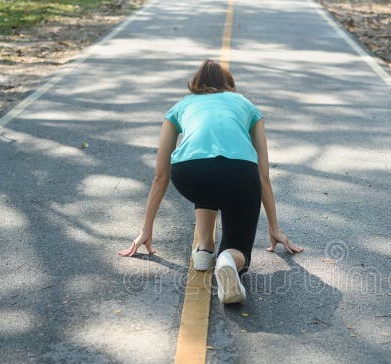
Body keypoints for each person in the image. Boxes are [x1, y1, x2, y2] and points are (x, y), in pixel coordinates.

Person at [119, 59, 303, 304]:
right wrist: (274, 228)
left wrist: (146, 230)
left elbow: (160, 177)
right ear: (229, 85)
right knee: (237, 247)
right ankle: (229, 259)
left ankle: (204, 251)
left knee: (209, 185)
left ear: (195, 85)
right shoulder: (246, 105)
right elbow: (264, 176)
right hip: (239, 175)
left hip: (190, 175)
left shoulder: (180, 106)